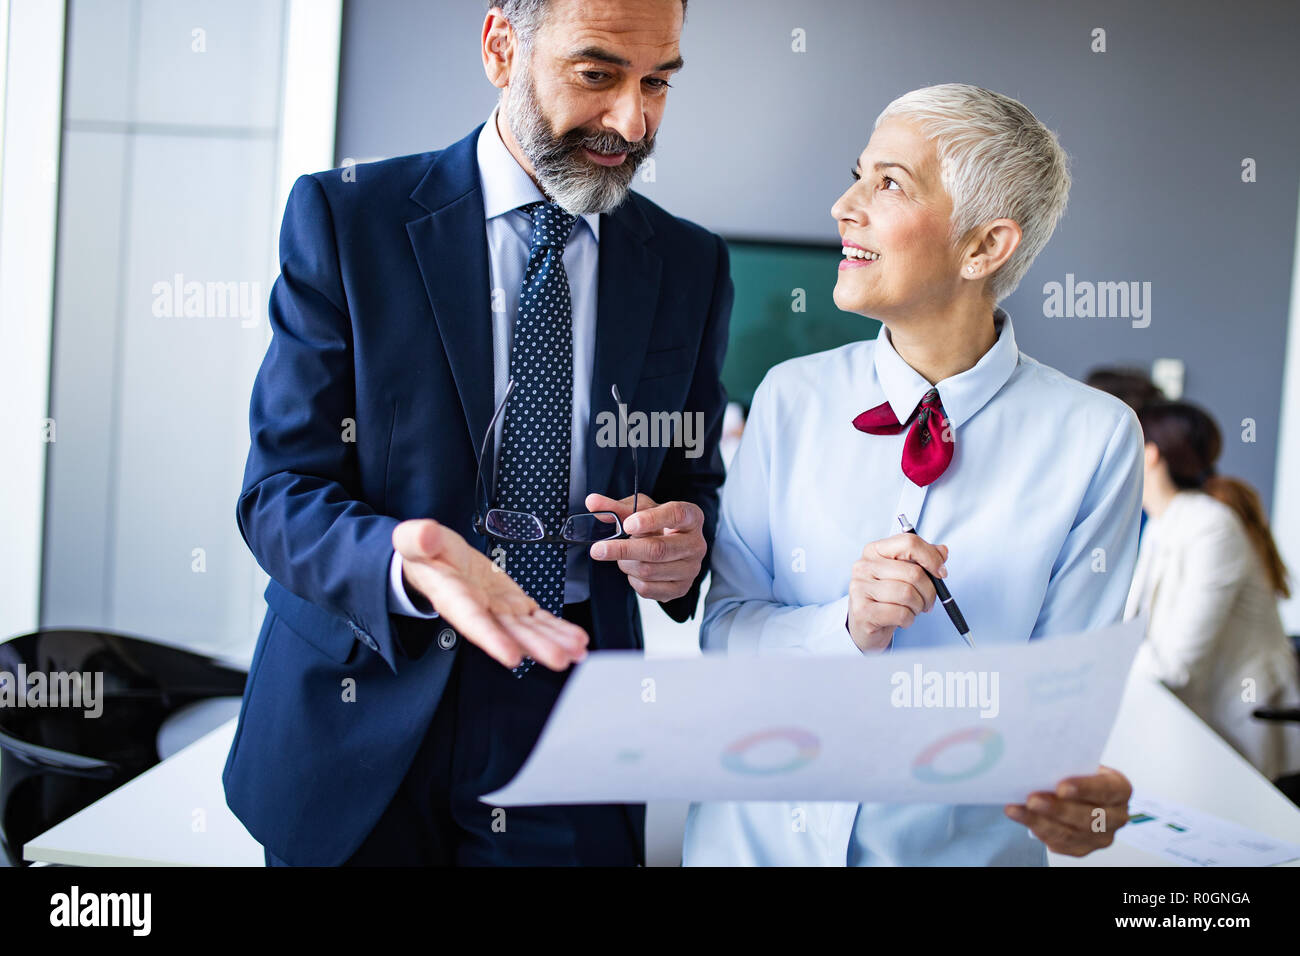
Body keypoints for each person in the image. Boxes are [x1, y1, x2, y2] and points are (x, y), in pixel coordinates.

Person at [224, 0, 733, 866]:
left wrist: (684, 544)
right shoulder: (349, 219)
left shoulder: (690, 264)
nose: (632, 121)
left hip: (571, 714)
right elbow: (278, 494)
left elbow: (693, 482)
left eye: (657, 83)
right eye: (597, 74)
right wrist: (401, 558)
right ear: (502, 47)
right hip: (364, 696)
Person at [682, 83, 1142, 866]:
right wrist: (847, 629)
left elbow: (1060, 722)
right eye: (858, 173)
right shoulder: (789, 397)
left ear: (984, 248)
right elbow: (724, 637)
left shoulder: (1097, 439)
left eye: (888, 182)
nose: (843, 205)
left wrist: (1081, 806)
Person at [1124, 401, 1300, 779]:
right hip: (1198, 720)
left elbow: (1176, 667)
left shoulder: (1211, 527)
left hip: (1242, 728)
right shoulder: (1164, 522)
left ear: (1151, 454)